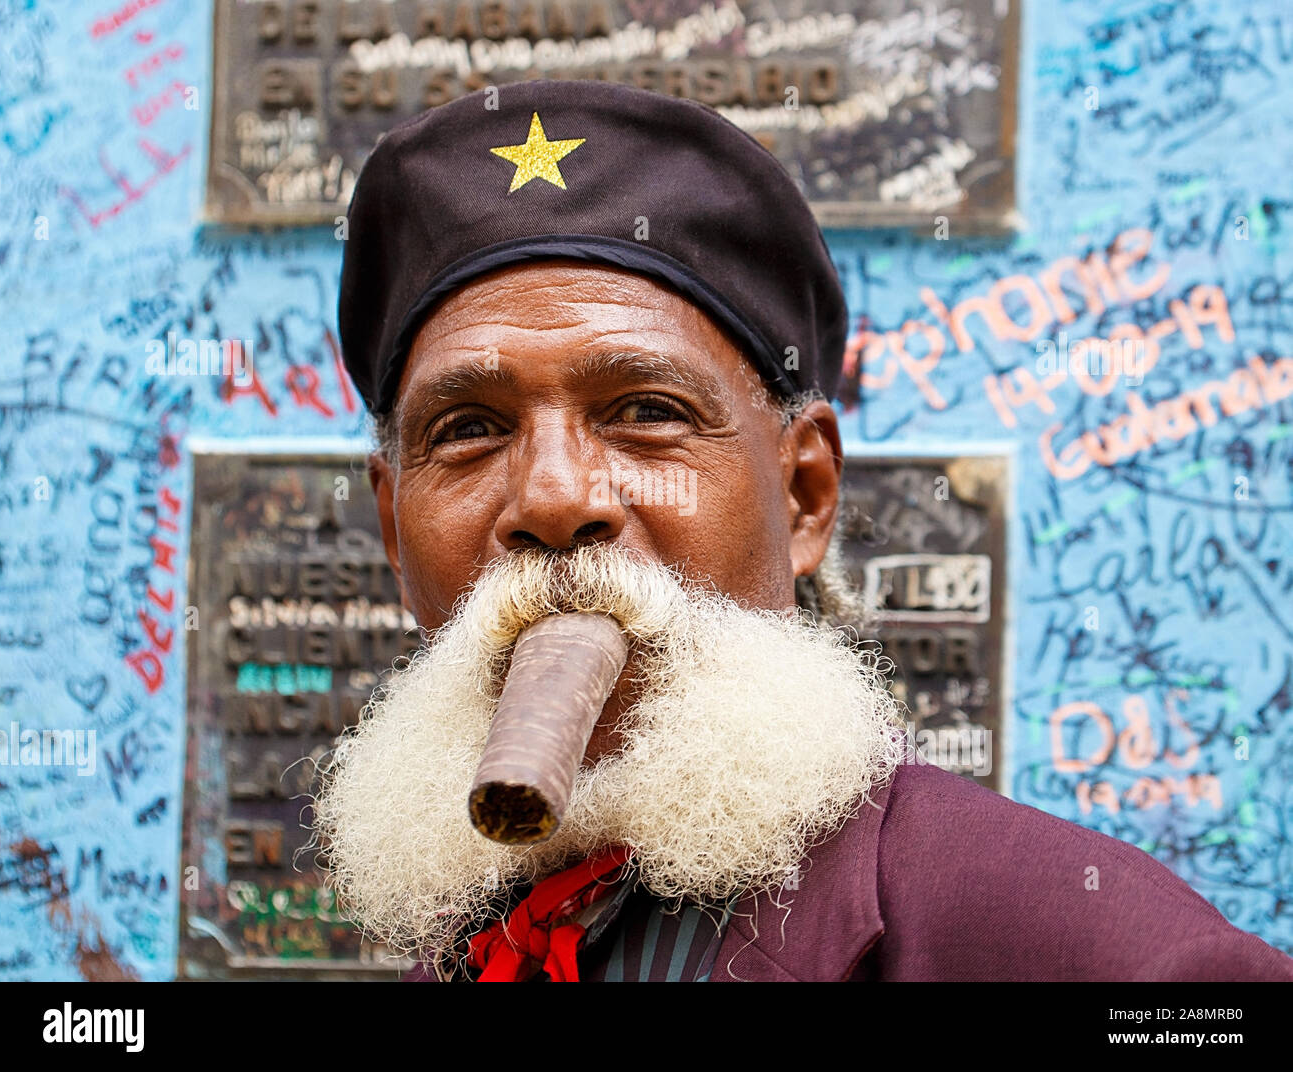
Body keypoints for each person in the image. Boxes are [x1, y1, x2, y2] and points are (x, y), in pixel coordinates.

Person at [312, 78, 1293, 983]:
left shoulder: (1108, 957)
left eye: (645, 411)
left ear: (804, 496)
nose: (557, 499)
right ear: (396, 534)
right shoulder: (477, 946)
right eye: (469, 429)